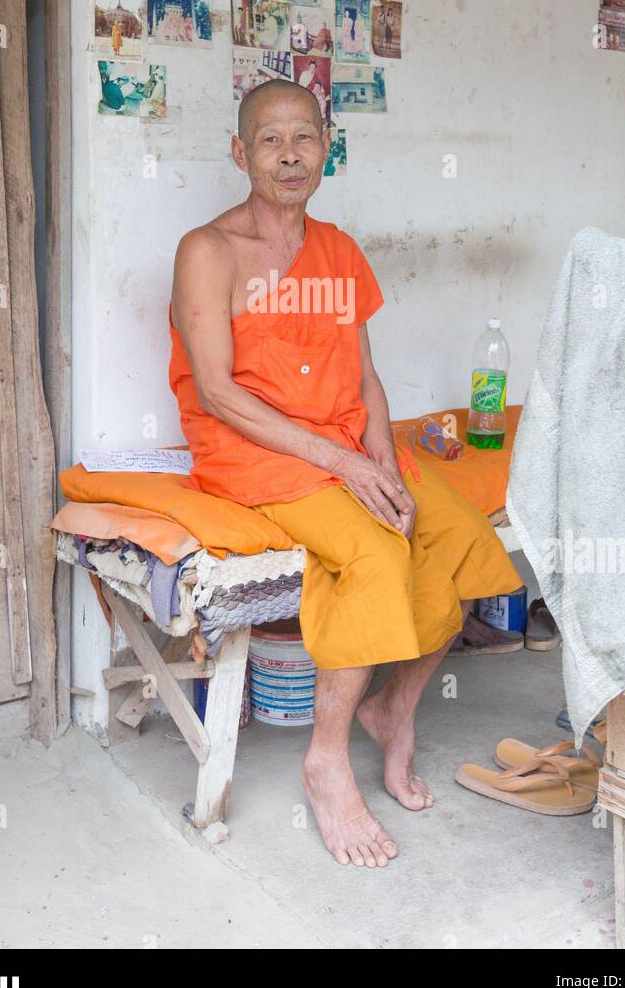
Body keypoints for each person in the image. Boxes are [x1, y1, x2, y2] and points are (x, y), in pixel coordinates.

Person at [169, 82, 521, 868]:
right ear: (240, 153)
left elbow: (365, 380)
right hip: (253, 451)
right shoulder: (209, 250)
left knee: (454, 533)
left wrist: (388, 468)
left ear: (326, 148)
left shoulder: (339, 249)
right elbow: (220, 391)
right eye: (270, 140)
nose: (290, 153)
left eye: (305, 138)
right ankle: (325, 760)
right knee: (373, 552)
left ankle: (394, 708)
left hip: (342, 443)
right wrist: (341, 463)